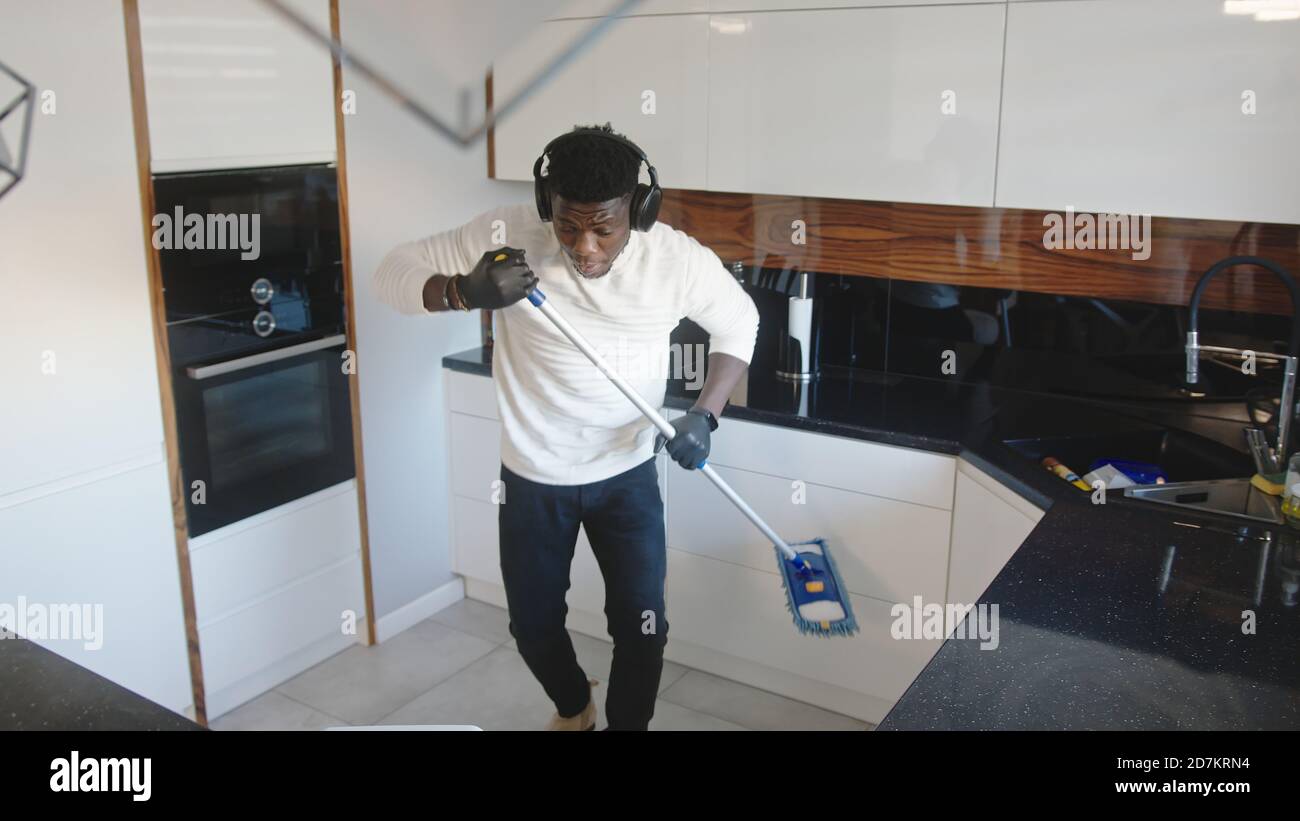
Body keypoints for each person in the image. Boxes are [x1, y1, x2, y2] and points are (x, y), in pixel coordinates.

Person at [372, 123, 759, 730]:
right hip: (533, 474)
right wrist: (461, 289)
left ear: (639, 209)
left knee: (642, 626)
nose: (584, 247)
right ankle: (575, 707)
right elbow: (391, 272)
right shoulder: (505, 234)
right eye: (568, 224)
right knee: (531, 625)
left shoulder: (675, 260)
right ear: (544, 205)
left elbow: (740, 325)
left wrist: (705, 414)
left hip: (626, 472)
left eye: (604, 227)